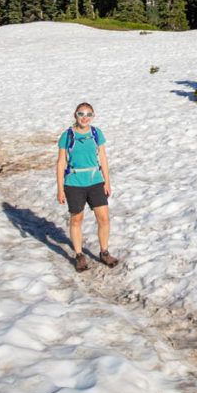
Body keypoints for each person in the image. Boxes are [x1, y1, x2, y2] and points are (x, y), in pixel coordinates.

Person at [56, 102, 119, 272]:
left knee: (104, 218)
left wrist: (107, 181)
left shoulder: (96, 133)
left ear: (93, 116)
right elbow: (61, 162)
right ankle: (79, 255)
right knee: (76, 219)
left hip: (95, 181)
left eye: (88, 114)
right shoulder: (67, 135)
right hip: (74, 182)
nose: (85, 117)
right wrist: (60, 188)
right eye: (81, 113)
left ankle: (104, 252)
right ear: (75, 115)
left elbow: (103, 158)